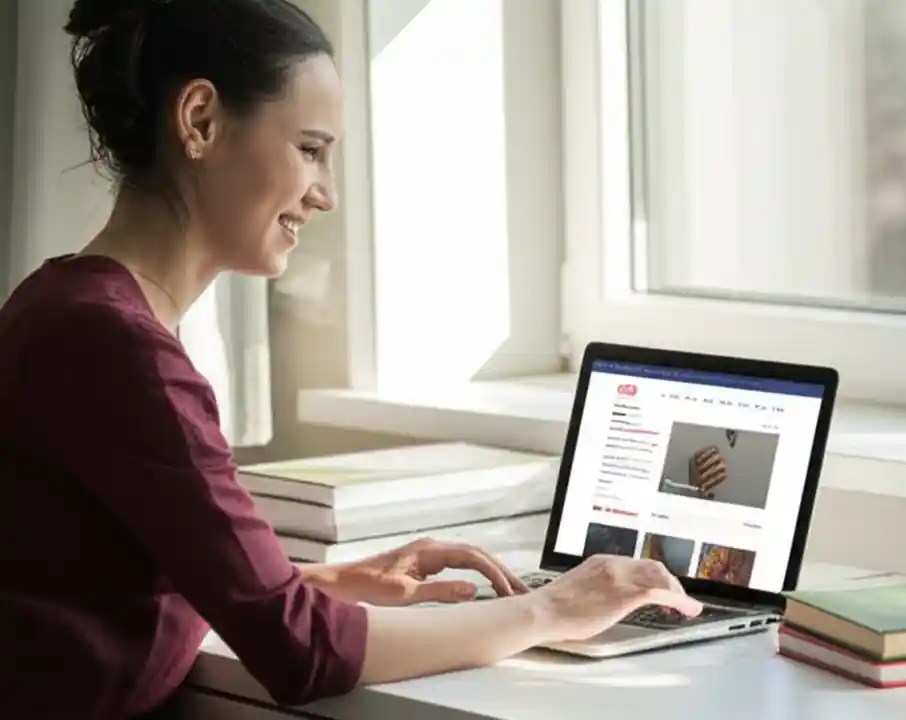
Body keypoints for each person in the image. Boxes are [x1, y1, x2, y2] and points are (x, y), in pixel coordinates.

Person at [0, 1, 701, 717]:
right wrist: (553, 611)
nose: (327, 194)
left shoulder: (61, 304)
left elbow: (117, 575)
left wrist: (336, 578)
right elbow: (301, 650)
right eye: (310, 149)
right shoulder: (120, 350)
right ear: (201, 120)